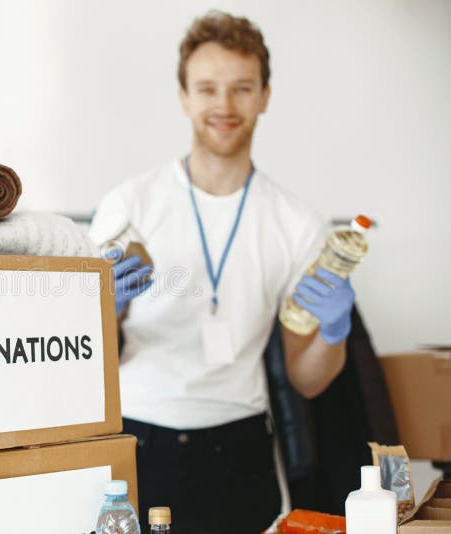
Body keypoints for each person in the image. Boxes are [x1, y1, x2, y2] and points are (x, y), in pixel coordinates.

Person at [89, 11, 356, 534]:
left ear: (265, 96)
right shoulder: (129, 206)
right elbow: (91, 365)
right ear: (184, 96)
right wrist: (107, 310)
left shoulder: (298, 224)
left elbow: (306, 379)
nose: (224, 106)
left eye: (241, 88)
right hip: (134, 443)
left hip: (240, 450)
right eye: (207, 88)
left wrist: (333, 332)